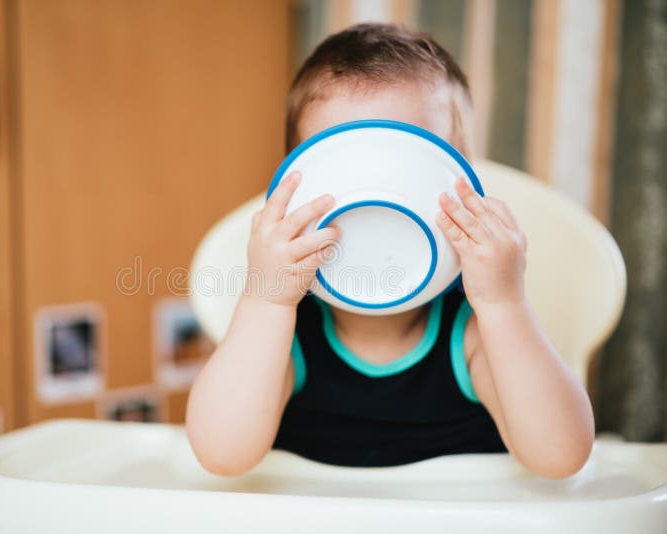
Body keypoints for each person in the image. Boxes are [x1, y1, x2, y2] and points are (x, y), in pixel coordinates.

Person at [186, 23, 594, 478]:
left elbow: (560, 457)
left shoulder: (474, 331)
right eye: (343, 166)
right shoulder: (282, 332)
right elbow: (221, 454)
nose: (376, 198)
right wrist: (265, 299)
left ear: (462, 180)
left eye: (409, 164)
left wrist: (504, 304)